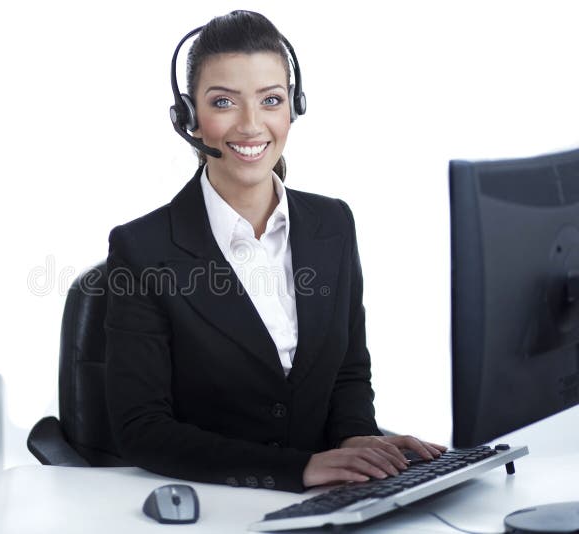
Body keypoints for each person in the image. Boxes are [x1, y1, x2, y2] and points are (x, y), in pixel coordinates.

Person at [104, 10, 445, 493]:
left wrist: (356, 440)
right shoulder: (142, 250)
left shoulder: (334, 225)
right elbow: (142, 429)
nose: (250, 125)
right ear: (189, 119)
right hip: (213, 504)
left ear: (293, 108)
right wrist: (298, 469)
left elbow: (348, 369)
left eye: (270, 100)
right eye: (223, 101)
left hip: (331, 500)